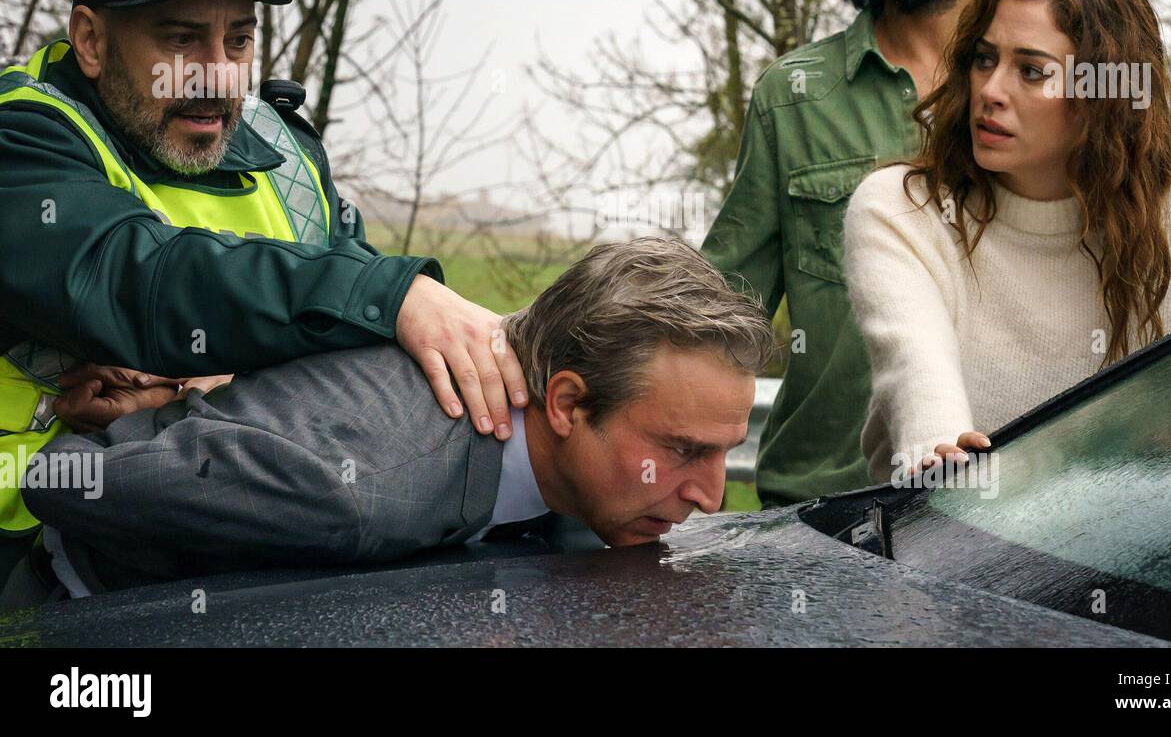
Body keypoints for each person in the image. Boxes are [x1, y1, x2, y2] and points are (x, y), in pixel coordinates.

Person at [0, 0, 527, 581]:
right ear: (92, 41)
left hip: (228, 541)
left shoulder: (292, 158)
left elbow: (358, 371)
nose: (218, 76)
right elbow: (129, 277)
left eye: (239, 42)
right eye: (181, 40)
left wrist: (213, 386)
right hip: (29, 543)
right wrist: (379, 294)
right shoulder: (25, 136)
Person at [13, 238, 774, 600]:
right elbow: (63, 483)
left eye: (723, 454)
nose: (710, 495)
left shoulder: (552, 434)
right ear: (568, 403)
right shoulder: (355, 491)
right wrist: (186, 408)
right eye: (681, 451)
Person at [701, 0, 1021, 506]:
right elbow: (716, 318)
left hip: (1013, 503)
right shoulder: (794, 98)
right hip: (825, 506)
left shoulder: (1040, 93)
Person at [843, 0, 1171, 484]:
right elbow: (915, 367)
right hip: (940, 546)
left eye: (1032, 71)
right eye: (984, 59)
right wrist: (938, 451)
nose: (990, 92)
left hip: (1143, 551)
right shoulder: (902, 210)